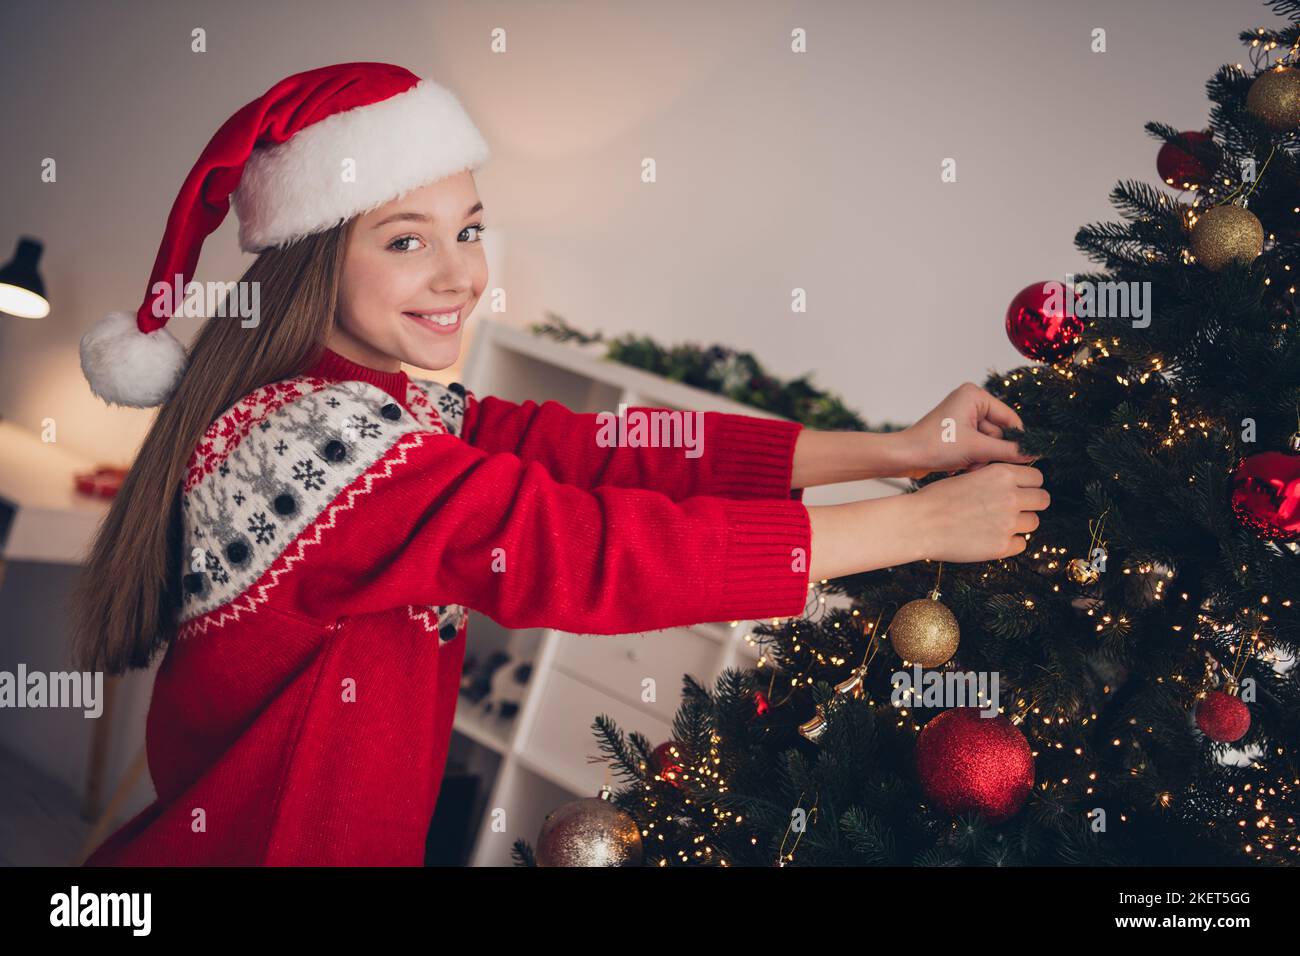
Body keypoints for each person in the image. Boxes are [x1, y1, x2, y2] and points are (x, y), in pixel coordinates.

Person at [72, 62, 1048, 866]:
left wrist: (902, 450)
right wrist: (918, 523)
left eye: (468, 229)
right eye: (406, 240)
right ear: (314, 258)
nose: (459, 273)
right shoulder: (317, 440)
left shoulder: (393, 404)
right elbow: (580, 549)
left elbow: (614, 451)